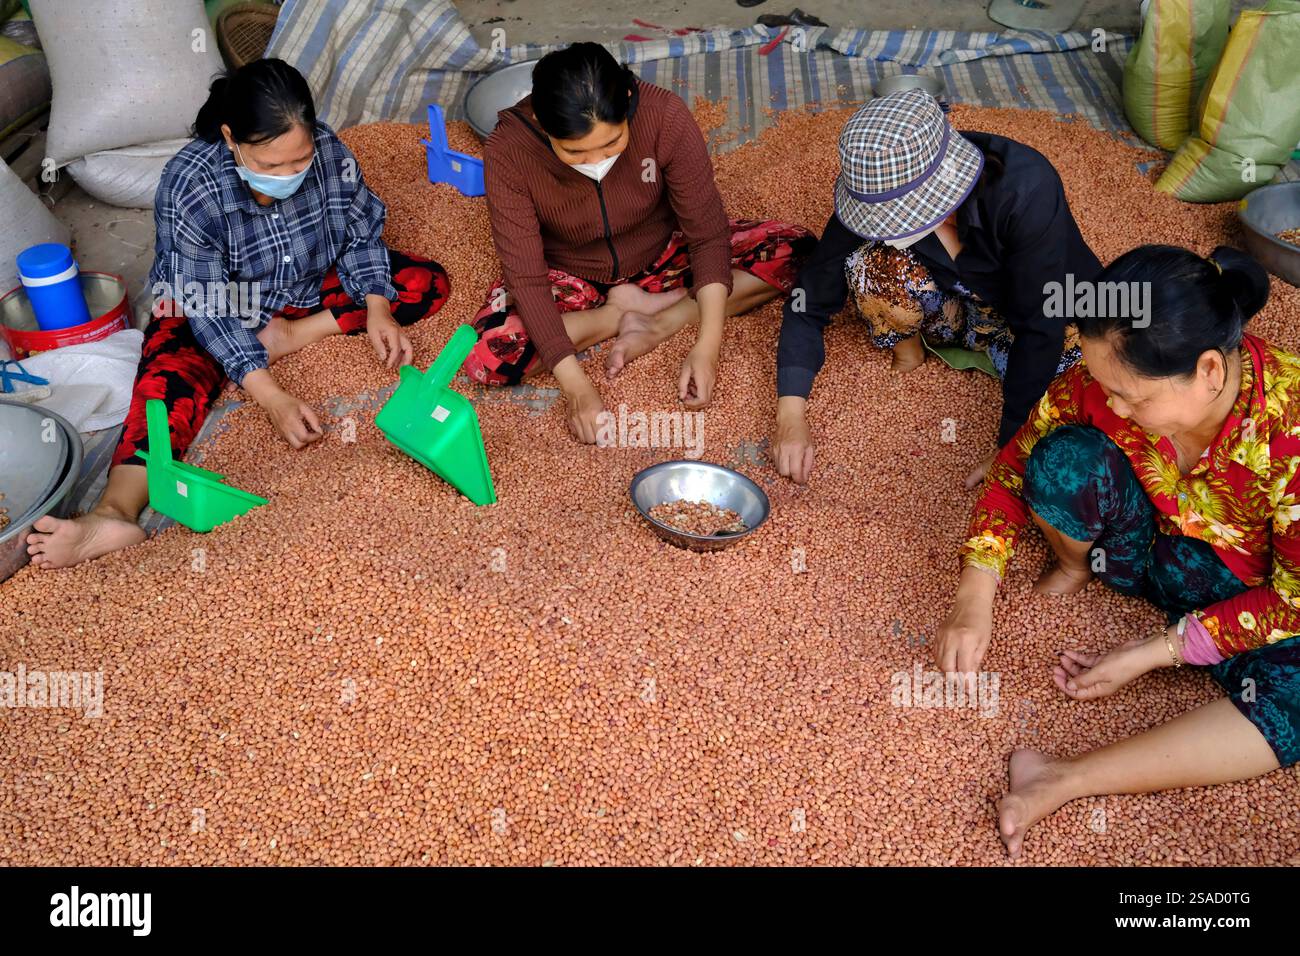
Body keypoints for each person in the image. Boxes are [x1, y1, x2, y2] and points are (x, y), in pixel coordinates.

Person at [933, 244, 1300, 858]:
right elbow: (1015, 463)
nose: (1113, 405)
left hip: (1245, 593)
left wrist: (1158, 651)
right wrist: (976, 591)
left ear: (1210, 370)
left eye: (1133, 397)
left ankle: (1062, 777)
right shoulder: (1108, 375)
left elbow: (1291, 599)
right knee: (1062, 459)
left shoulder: (1290, 433)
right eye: (1105, 385)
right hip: (1138, 548)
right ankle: (1079, 567)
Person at [26, 58, 449, 569]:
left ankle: (294, 333)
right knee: (167, 377)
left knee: (420, 282)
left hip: (307, 284)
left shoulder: (332, 153)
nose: (290, 174)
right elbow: (203, 301)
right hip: (216, 301)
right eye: (271, 166)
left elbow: (361, 234)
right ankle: (114, 512)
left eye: (300, 159)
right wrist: (269, 395)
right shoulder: (192, 183)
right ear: (231, 138)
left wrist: (378, 307)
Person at [468, 42, 815, 442]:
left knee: (798, 250)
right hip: (570, 273)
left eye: (611, 143)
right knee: (487, 356)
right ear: (544, 127)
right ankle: (615, 317)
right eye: (575, 152)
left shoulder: (663, 115)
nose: (595, 161)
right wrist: (577, 388)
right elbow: (526, 277)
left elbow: (706, 233)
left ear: (628, 104)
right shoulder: (508, 150)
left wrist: (708, 347)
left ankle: (661, 318)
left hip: (663, 254)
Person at [772, 89, 1101, 487]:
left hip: (1031, 312)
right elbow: (809, 301)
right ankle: (910, 352)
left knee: (1082, 380)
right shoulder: (880, 180)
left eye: (894, 221)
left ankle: (997, 359)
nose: (884, 230)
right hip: (951, 308)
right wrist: (790, 415)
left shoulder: (1026, 191)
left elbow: (1041, 324)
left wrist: (1009, 445)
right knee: (866, 265)